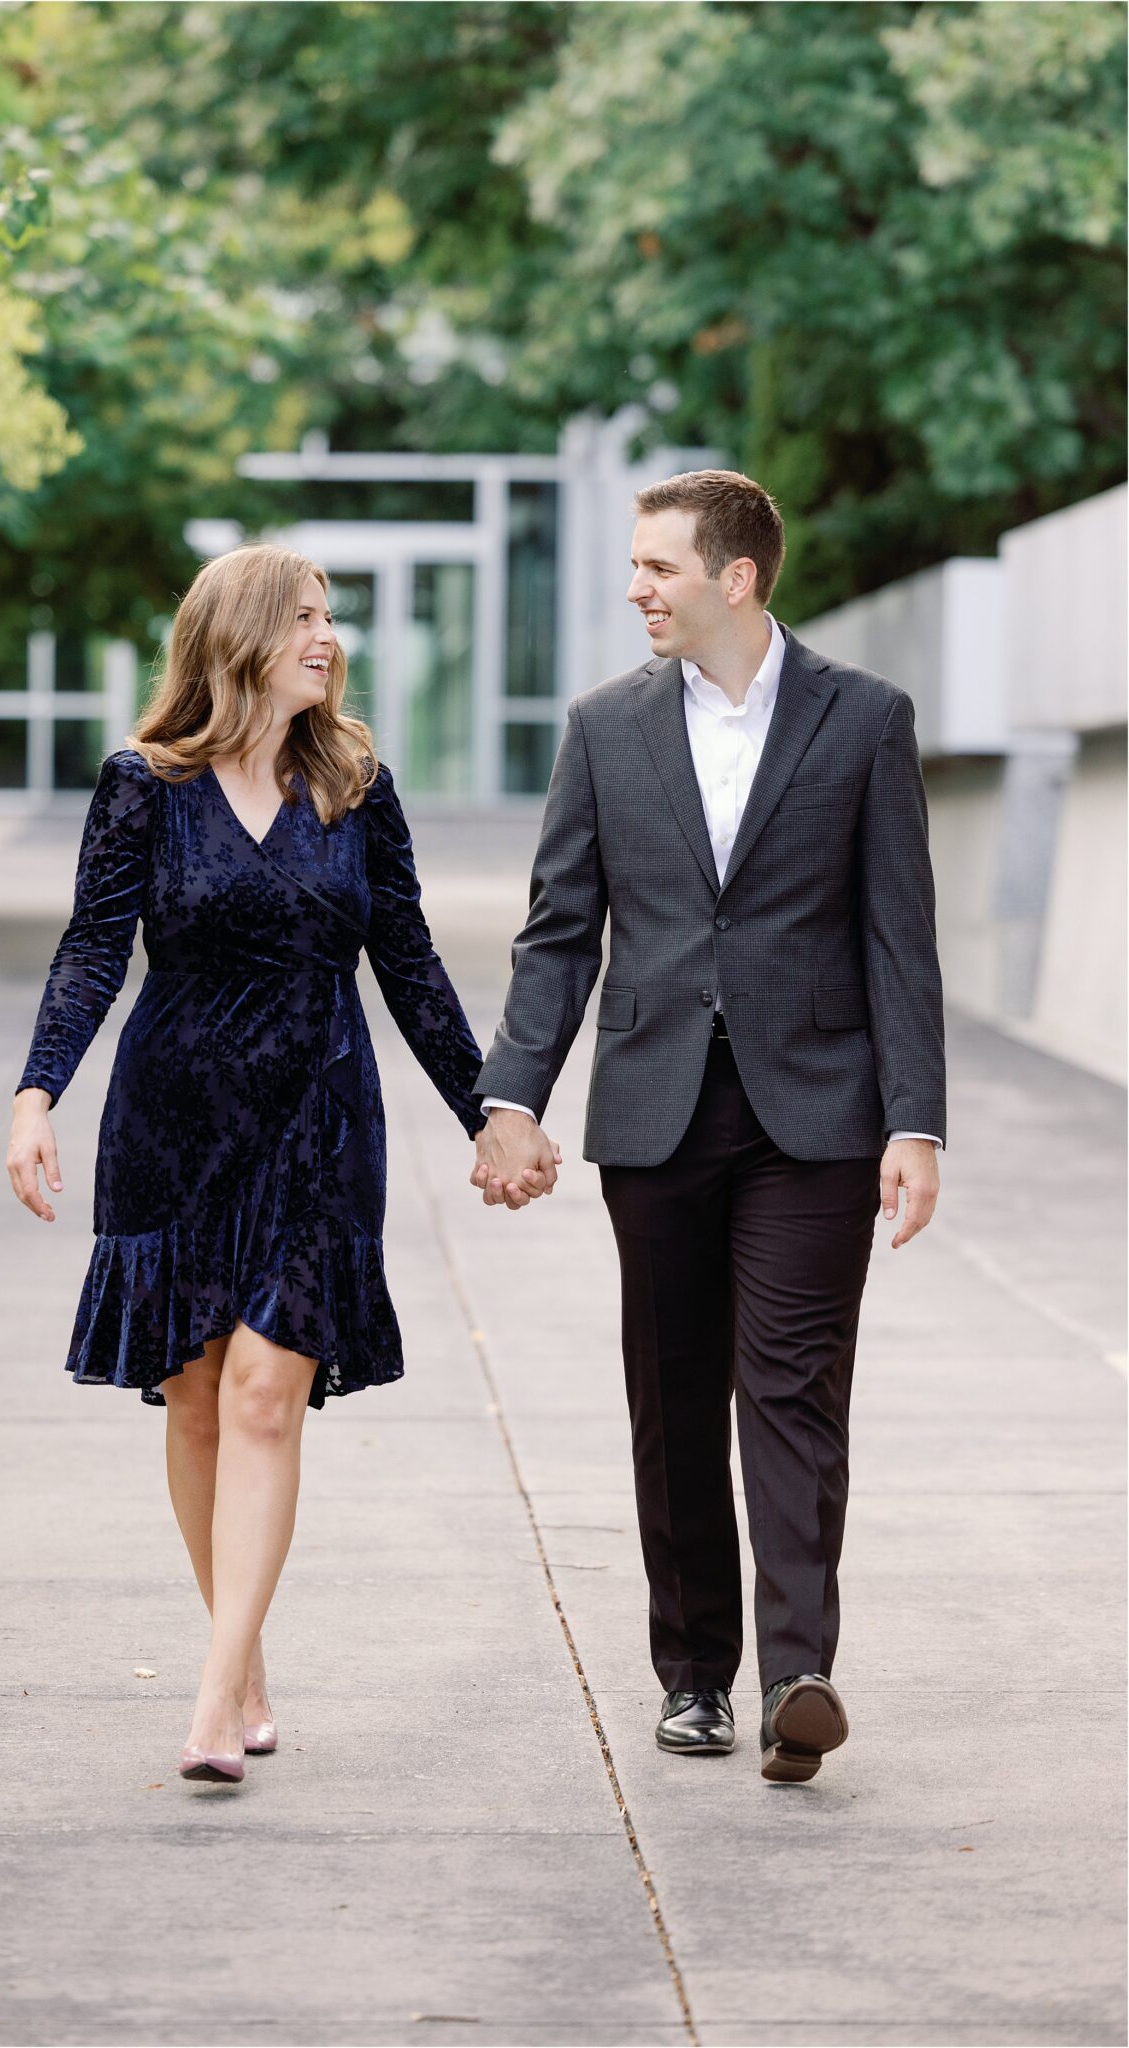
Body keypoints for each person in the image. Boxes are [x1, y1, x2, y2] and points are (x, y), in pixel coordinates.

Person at [7, 543, 545, 1787]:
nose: (327, 635)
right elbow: (92, 949)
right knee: (193, 1397)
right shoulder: (143, 783)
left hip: (317, 1119)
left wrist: (489, 1111)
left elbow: (408, 963)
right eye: (303, 615)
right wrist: (37, 1095)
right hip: (172, 1118)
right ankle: (240, 1657)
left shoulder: (356, 785)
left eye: (329, 615)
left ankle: (211, 1689)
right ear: (239, 634)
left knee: (263, 1394)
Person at [468, 469, 944, 1783]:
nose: (636, 591)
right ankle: (693, 1675)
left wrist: (916, 1122)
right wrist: (512, 1098)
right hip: (656, 1107)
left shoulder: (861, 722)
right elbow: (558, 933)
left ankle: (798, 1670)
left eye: (657, 569)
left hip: (818, 1113)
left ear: (734, 578)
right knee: (672, 1395)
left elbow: (898, 938)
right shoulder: (604, 729)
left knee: (791, 1387)